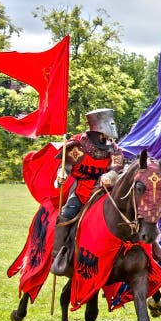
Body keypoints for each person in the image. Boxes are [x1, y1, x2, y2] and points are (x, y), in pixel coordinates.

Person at [51, 108, 124, 268]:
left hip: (104, 192)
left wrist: (109, 176)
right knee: (66, 215)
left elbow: (116, 168)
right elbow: (66, 166)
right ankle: (58, 256)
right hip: (82, 190)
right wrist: (61, 174)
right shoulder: (78, 145)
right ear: (98, 126)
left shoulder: (113, 148)